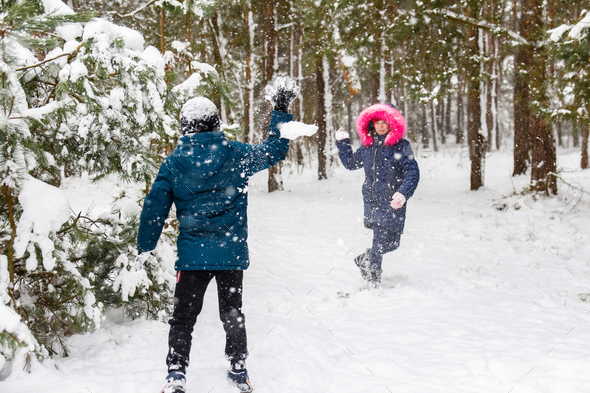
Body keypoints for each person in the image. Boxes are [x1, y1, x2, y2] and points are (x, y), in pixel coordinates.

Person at [134, 77, 299, 393]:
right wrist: (280, 109)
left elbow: (154, 207)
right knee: (232, 313)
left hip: (192, 258)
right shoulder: (236, 154)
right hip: (229, 253)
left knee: (183, 319)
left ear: (185, 127)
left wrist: (145, 245)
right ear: (215, 124)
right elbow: (276, 149)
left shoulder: (173, 163)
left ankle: (175, 374)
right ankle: (238, 369)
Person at [335, 103, 420, 288]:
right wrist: (342, 143)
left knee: (393, 243)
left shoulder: (401, 146)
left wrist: (403, 193)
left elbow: (412, 172)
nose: (380, 126)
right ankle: (373, 281)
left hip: (395, 201)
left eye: (384, 122)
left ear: (392, 123)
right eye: (377, 123)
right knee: (380, 241)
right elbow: (350, 163)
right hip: (374, 201)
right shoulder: (368, 147)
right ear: (371, 124)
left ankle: (364, 259)